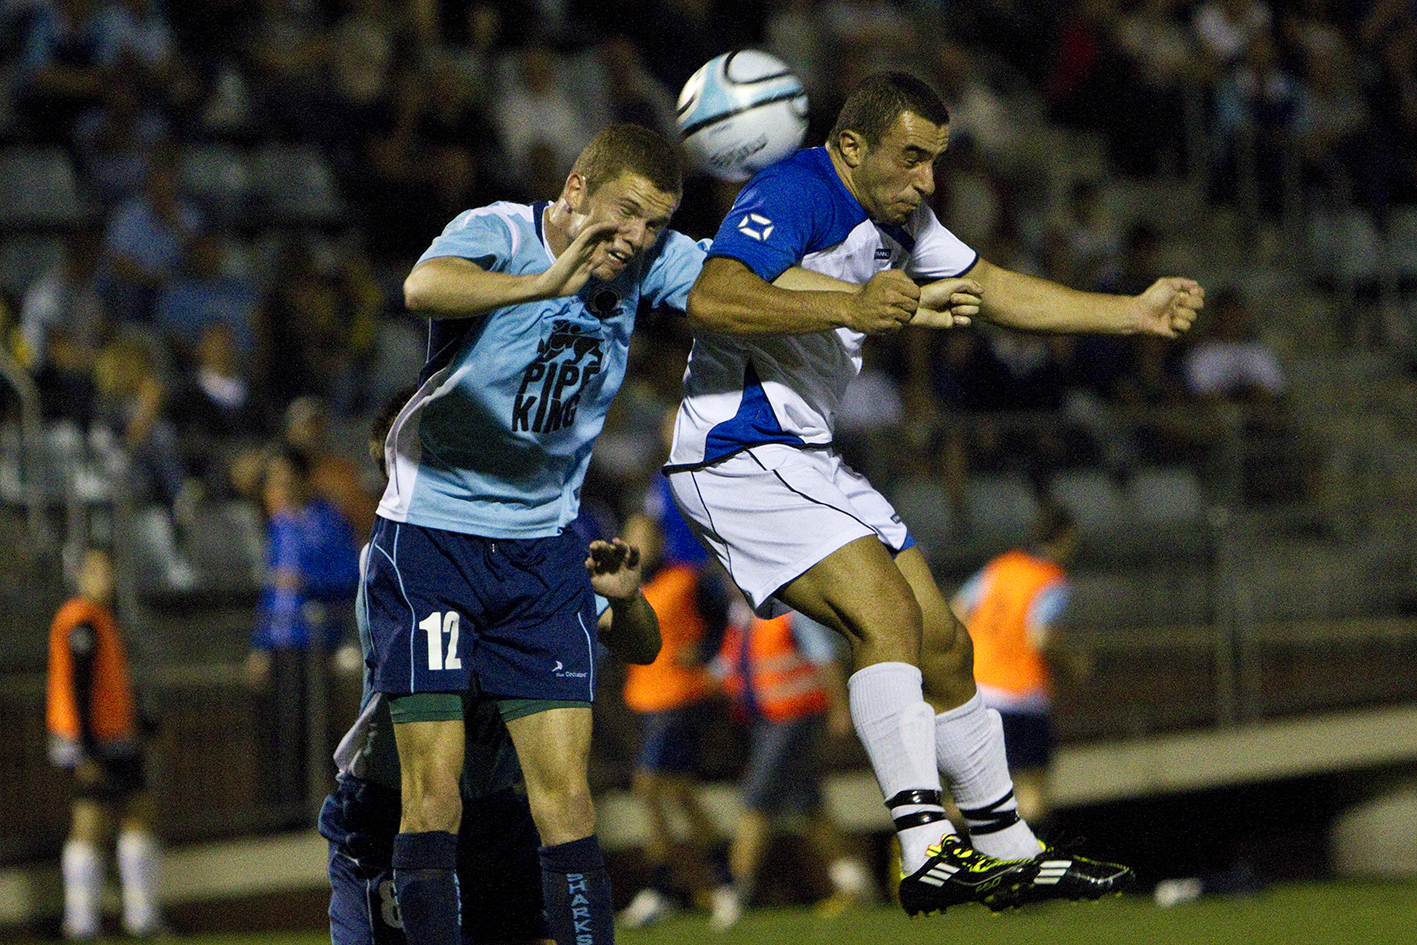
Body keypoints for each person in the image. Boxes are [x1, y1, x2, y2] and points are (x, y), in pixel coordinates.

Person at [664, 71, 1205, 916]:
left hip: (804, 453)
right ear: (850, 147)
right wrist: (853, 301)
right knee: (888, 617)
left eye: (934, 161)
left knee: (947, 646)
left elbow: (988, 288)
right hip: (735, 449)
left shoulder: (897, 217)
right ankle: (926, 846)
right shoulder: (794, 191)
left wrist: (1128, 313)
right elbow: (712, 295)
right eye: (910, 158)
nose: (926, 181)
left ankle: (1008, 848)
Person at [363, 122, 705, 945]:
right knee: (434, 794)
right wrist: (545, 284)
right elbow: (423, 286)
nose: (637, 237)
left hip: (544, 547)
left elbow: (740, 279)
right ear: (578, 185)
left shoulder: (650, 261)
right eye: (625, 212)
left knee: (570, 801)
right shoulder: (498, 231)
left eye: (655, 223)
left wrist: (853, 298)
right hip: (432, 537)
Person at [323, 391, 661, 945]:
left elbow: (641, 647)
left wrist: (624, 601)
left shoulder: (524, 552)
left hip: (495, 808)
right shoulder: (390, 561)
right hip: (390, 805)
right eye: (390, 471)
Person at [709, 606, 875, 931]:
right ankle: (855, 880)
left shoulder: (790, 614)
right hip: (764, 719)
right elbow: (729, 667)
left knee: (755, 801)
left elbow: (824, 657)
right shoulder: (739, 616)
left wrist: (840, 708)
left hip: (794, 716)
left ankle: (734, 890)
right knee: (807, 804)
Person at [614, 488, 733, 929]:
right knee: (677, 791)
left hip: (682, 696)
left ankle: (662, 885)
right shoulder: (623, 589)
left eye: (646, 536)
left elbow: (725, 623)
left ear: (661, 541)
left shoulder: (688, 578)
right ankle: (718, 879)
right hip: (644, 697)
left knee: (648, 784)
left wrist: (705, 653)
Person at [46, 545, 165, 940]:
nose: (105, 579)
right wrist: (85, 749)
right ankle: (82, 922)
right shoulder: (81, 620)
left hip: (113, 736)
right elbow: (78, 688)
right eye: (95, 571)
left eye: (108, 571)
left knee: (135, 813)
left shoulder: (100, 618)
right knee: (90, 820)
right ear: (80, 576)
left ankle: (139, 917)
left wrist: (140, 724)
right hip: (92, 740)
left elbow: (108, 686)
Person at [246, 444, 361, 824]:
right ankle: (279, 811)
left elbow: (350, 575)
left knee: (310, 727)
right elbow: (271, 591)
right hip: (278, 640)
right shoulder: (279, 525)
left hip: (311, 643)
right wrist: (259, 645)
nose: (280, 486)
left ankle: (317, 810)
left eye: (286, 478)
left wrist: (308, 582)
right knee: (276, 729)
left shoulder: (327, 521)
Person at [949, 502, 1083, 828]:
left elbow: (958, 609)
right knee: (1031, 788)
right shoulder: (1051, 579)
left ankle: (941, 858)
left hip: (978, 691)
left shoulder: (1001, 566)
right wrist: (1075, 665)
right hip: (1022, 696)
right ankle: (1027, 870)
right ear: (1064, 538)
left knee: (967, 793)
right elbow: (1040, 637)